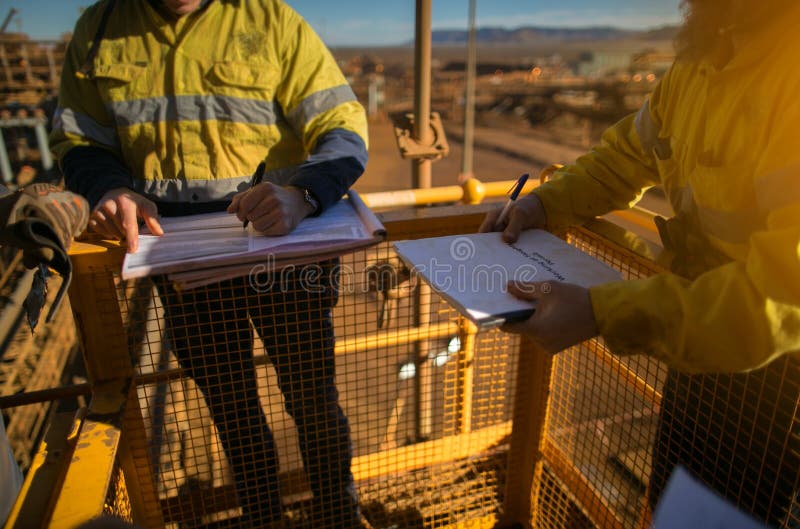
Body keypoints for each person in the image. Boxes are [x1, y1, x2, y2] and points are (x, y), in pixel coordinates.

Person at [480, 0, 800, 526]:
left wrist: (603, 312)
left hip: (781, 374)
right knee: (679, 497)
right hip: (703, 328)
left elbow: (781, 297)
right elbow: (627, 157)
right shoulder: (703, 61)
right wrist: (542, 204)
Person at [50, 1, 368, 528]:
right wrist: (108, 187)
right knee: (232, 410)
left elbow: (342, 125)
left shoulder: (269, 20)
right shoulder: (101, 28)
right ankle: (264, 518)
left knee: (313, 400)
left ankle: (337, 513)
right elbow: (80, 140)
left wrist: (301, 194)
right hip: (184, 264)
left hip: (281, 258)